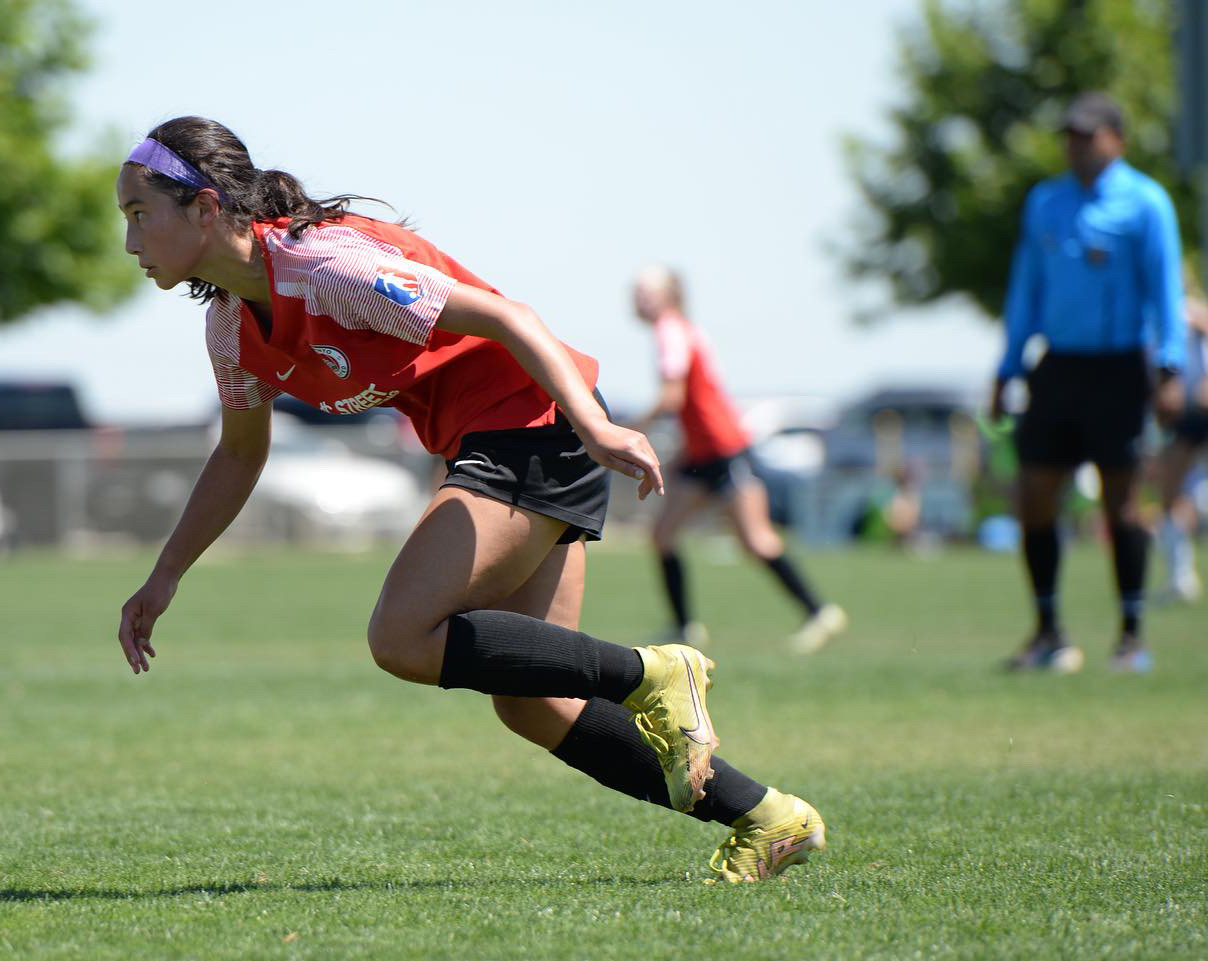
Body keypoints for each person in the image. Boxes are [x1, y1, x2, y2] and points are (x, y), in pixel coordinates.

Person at [111, 117, 826, 883]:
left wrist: (595, 425)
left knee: (401, 634)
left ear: (207, 208)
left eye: (138, 214)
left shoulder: (323, 265)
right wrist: (166, 575)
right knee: (535, 703)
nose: (130, 242)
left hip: (536, 422)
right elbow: (240, 454)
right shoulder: (229, 329)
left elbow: (510, 318)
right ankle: (768, 817)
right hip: (504, 436)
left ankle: (654, 671)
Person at [990, 92, 1188, 673]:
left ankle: (1131, 635)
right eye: (1071, 136)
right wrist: (1007, 366)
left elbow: (1164, 292)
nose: (1077, 145)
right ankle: (1049, 631)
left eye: (1089, 135)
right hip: (1058, 367)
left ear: (1116, 139)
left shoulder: (1146, 203)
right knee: (1033, 494)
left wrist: (1170, 368)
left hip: (1120, 367)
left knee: (1121, 503)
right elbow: (1026, 289)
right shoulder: (1045, 202)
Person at [631, 265, 847, 654]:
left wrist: (627, 428)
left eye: (645, 292)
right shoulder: (678, 330)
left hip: (726, 451)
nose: (637, 299)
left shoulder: (671, 330)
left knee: (757, 541)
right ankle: (684, 627)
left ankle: (820, 612)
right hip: (701, 454)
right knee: (662, 534)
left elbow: (673, 397)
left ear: (668, 296)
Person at [1157, 281, 1208, 602]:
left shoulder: (1182, 309)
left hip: (1199, 408)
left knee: (1177, 493)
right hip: (1185, 413)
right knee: (1173, 495)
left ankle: (1181, 575)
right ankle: (1180, 575)